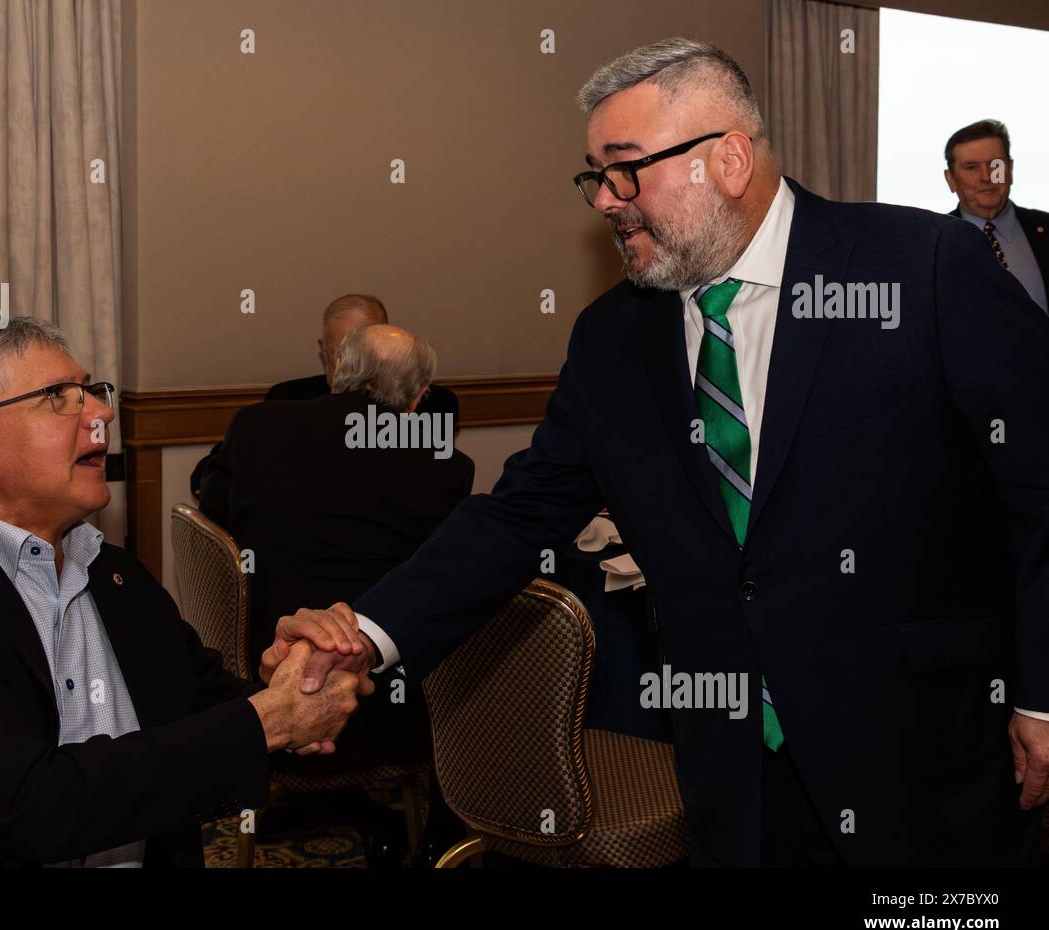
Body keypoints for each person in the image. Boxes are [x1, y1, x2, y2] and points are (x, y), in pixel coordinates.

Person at [268, 38, 1049, 867]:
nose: (605, 200)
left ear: (730, 159)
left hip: (923, 755)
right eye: (594, 175)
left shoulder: (920, 268)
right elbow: (517, 516)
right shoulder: (614, 338)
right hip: (732, 775)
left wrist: (1042, 696)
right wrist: (365, 632)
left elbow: (1037, 487)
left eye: (626, 169)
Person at [0, 318, 363, 866]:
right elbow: (35, 807)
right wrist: (268, 719)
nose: (102, 413)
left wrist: (295, 680)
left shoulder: (115, 574)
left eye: (92, 391)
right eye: (58, 396)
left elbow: (201, 711)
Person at [200, 324, 473, 864]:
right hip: (379, 700)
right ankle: (449, 835)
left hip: (264, 672)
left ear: (338, 372)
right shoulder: (446, 466)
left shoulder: (258, 426)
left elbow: (214, 514)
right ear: (419, 399)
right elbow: (445, 583)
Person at [190, 293, 458, 498]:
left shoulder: (430, 404)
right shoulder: (287, 400)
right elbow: (211, 476)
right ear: (326, 352)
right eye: (343, 355)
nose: (354, 369)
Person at [944, 119, 1049, 313]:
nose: (987, 176)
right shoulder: (935, 243)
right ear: (951, 180)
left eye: (996, 165)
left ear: (1009, 169)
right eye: (972, 167)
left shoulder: (1045, 228)